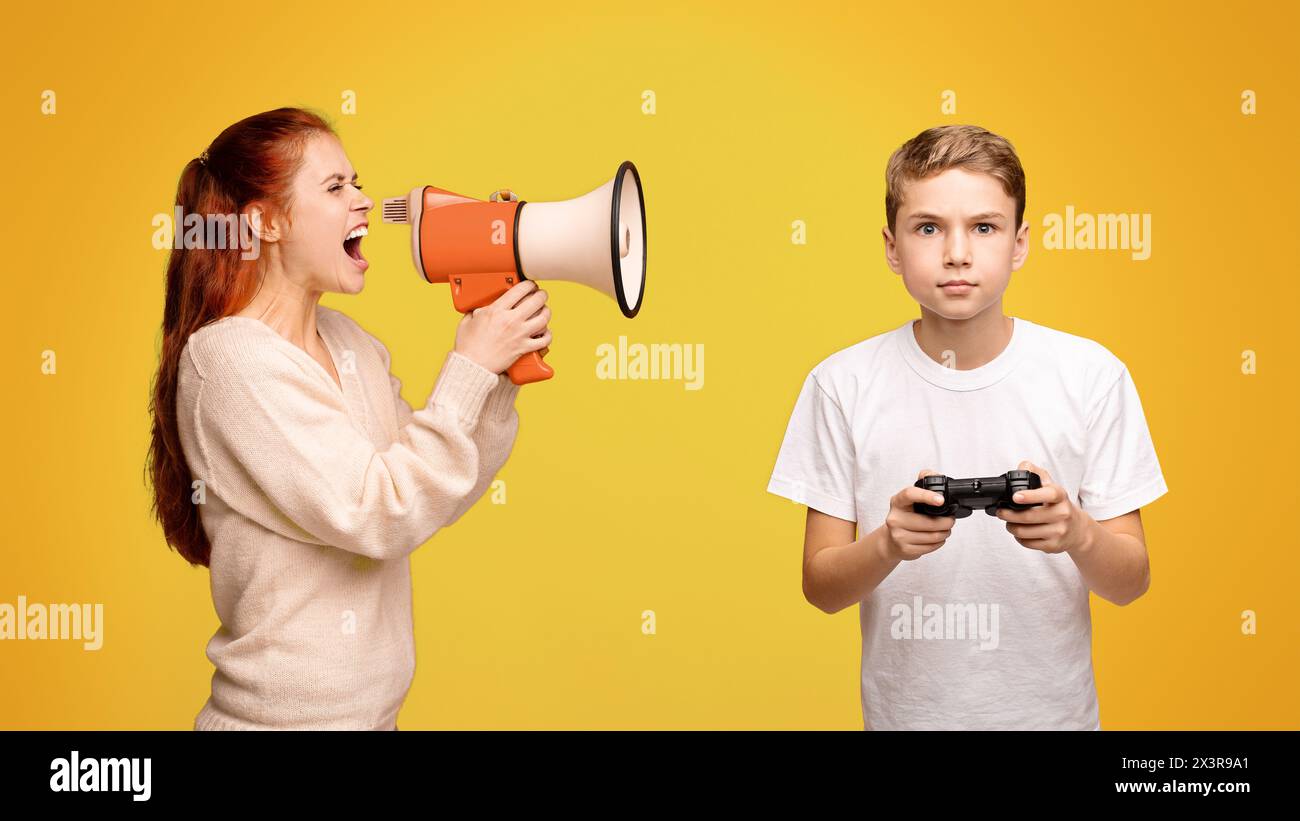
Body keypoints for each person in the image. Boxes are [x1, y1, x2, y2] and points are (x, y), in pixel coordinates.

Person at [146, 107, 551, 730]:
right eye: (335, 188)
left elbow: (428, 492)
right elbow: (378, 512)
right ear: (266, 222)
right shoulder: (230, 361)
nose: (364, 201)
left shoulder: (350, 343)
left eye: (357, 182)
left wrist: (495, 381)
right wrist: (468, 365)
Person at [767, 124, 1167, 730]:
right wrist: (887, 544)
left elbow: (1131, 582)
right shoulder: (841, 384)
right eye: (928, 228)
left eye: (984, 227)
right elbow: (821, 588)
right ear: (892, 246)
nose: (957, 253)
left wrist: (1075, 533)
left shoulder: (1091, 376)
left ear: (1019, 243)